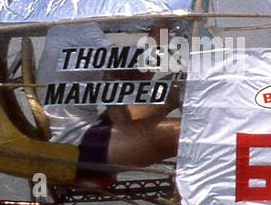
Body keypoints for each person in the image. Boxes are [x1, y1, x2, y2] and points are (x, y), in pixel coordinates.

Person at [36, 21, 181, 177]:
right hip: (78, 144)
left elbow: (133, 77)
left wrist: (162, 30)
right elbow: (137, 72)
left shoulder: (73, 23)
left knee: (180, 86)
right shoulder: (77, 27)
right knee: (190, 133)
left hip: (92, 124)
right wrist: (163, 26)